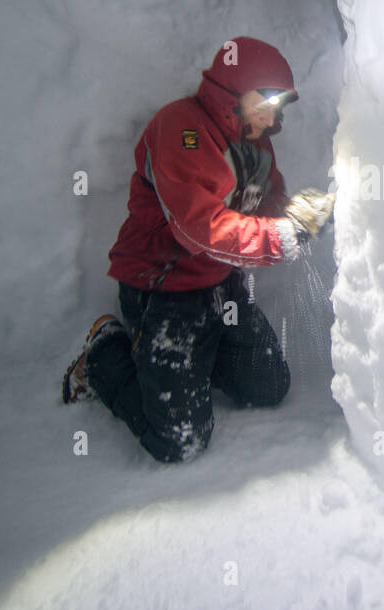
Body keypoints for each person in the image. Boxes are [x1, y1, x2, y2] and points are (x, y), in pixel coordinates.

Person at [60, 36, 335, 463]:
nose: (275, 118)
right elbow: (199, 229)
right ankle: (103, 354)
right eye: (268, 102)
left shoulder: (255, 143)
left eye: (280, 107)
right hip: (164, 291)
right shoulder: (181, 129)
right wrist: (284, 235)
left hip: (221, 287)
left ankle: (183, 369)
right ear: (234, 92)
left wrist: (297, 212)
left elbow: (263, 205)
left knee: (268, 387)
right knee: (178, 441)